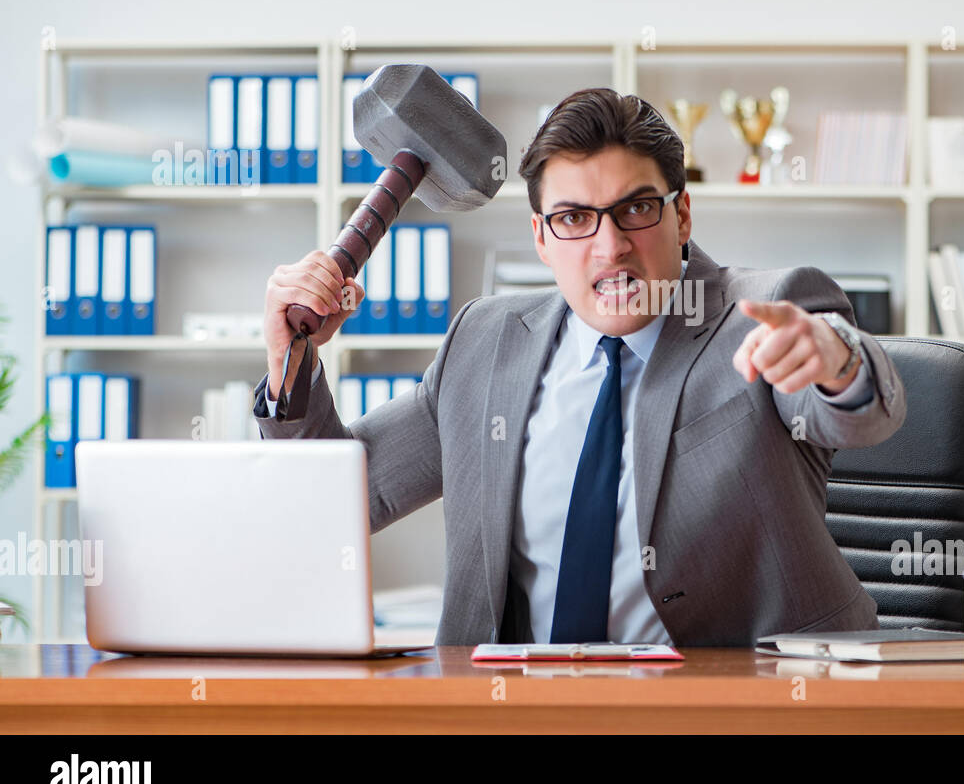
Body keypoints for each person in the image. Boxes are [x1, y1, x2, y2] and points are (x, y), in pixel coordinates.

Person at [253, 88, 906, 646]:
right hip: (518, 714)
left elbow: (858, 412)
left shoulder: (764, 312)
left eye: (637, 208)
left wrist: (835, 359)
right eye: (573, 218)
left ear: (681, 213)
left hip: (732, 712)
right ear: (541, 237)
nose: (611, 246)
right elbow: (335, 499)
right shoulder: (483, 342)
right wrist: (291, 360)